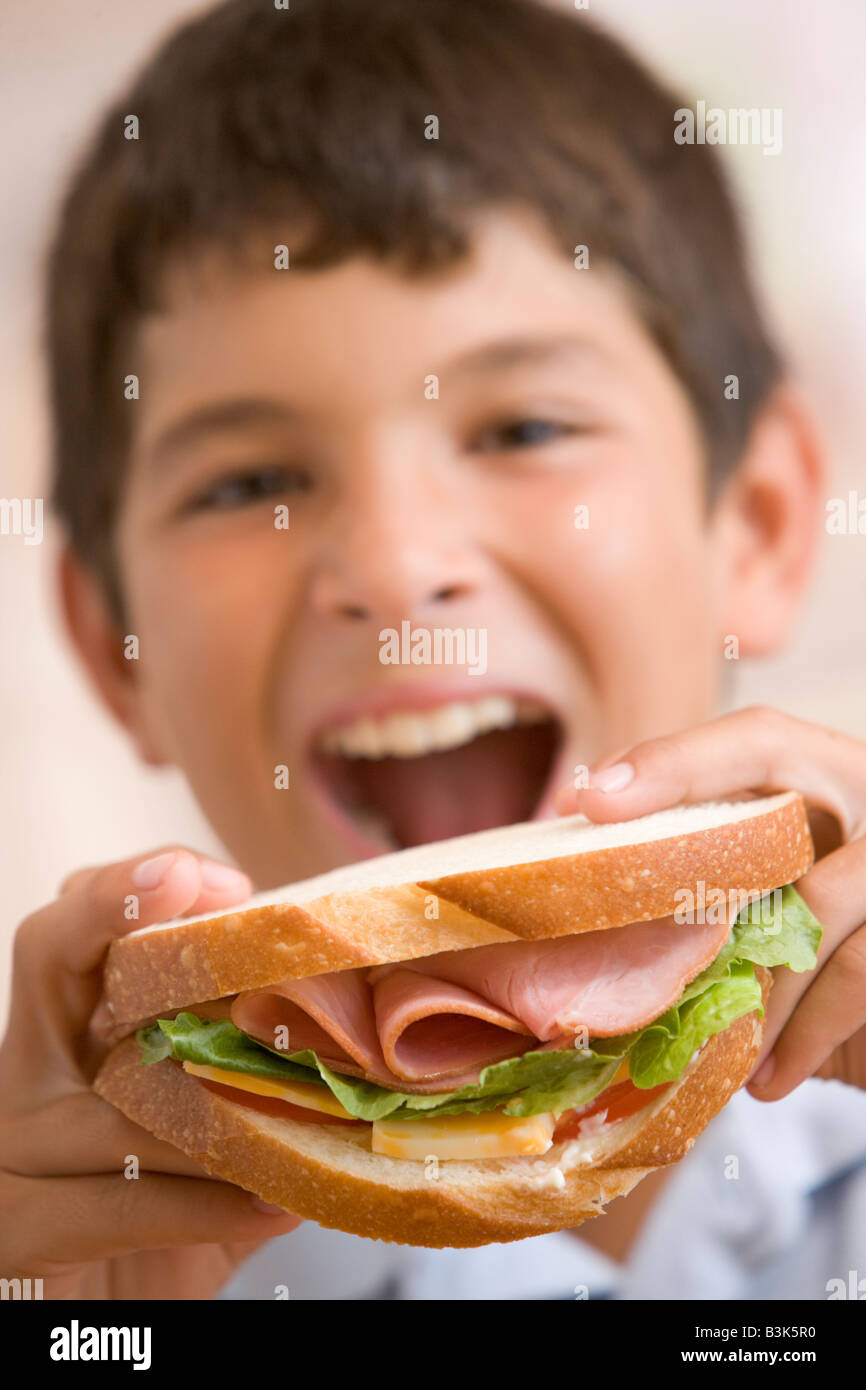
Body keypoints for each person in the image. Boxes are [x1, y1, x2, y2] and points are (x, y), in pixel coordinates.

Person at [2, 0, 865, 1301]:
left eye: (521, 429)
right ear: (113, 645)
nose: (399, 566)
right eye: (251, 481)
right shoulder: (84, 1257)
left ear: (755, 525)